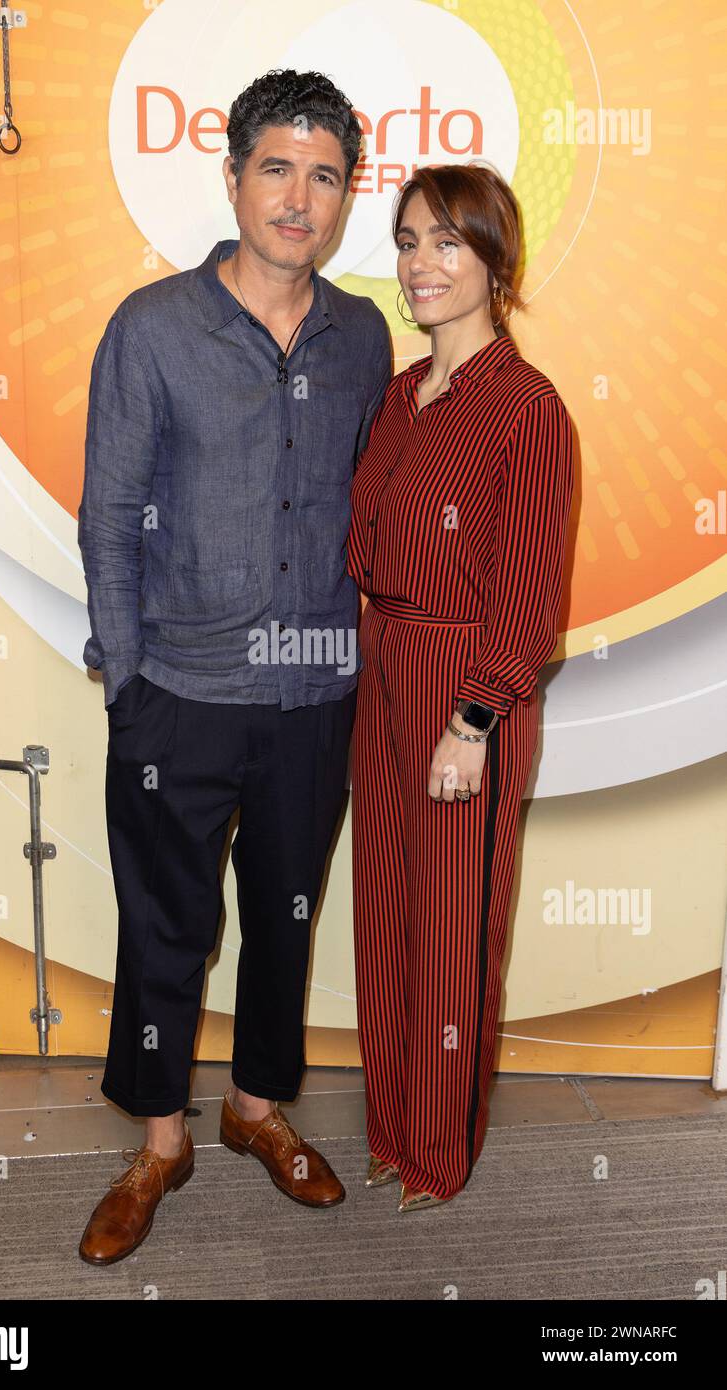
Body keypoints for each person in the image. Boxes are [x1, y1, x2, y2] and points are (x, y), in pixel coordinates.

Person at [76, 69, 391, 1264]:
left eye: (323, 174)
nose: (298, 197)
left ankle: (256, 1110)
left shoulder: (363, 334)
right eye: (277, 167)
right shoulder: (152, 327)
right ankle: (161, 1141)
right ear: (233, 175)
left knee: (285, 916)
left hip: (315, 691)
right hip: (179, 696)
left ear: (345, 195)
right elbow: (109, 517)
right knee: (166, 924)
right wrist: (127, 685)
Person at [346, 162, 575, 1212]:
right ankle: (389, 1126)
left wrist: (472, 718)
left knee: (449, 926)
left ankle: (438, 1151)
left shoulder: (526, 410)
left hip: (461, 691)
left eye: (446, 241)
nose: (420, 263)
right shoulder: (400, 395)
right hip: (382, 671)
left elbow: (528, 598)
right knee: (384, 913)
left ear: (495, 260)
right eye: (406, 241)